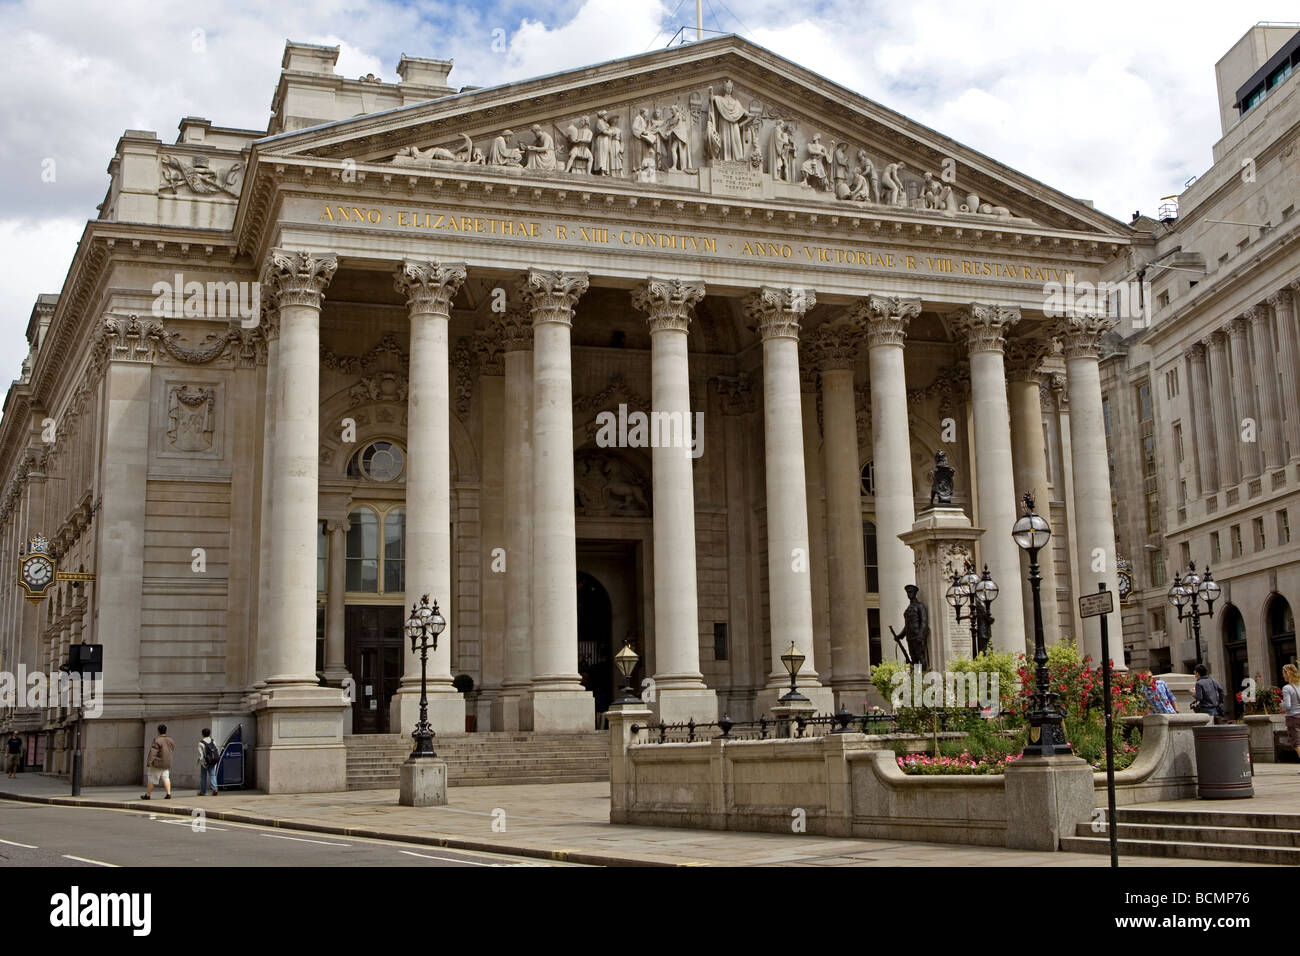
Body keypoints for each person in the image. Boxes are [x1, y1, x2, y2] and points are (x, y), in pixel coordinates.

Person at [141, 723, 175, 800]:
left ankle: (148, 795)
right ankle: (168, 794)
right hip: (167, 763)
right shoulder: (171, 740)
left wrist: (149, 762)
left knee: (152, 779)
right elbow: (172, 749)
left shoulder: (157, 740)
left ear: (158, 731)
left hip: (157, 763)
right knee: (166, 778)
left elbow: (153, 752)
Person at [1282, 663, 1300, 772]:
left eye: (1283, 673)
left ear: (1287, 674)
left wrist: (1280, 704)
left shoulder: (1287, 688)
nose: (1283, 676)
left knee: (1296, 743)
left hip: (1293, 718)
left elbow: (1287, 706)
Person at [197, 728, 220, 796]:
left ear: (202, 734)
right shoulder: (213, 741)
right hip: (213, 761)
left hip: (205, 762)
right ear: (209, 733)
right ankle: (215, 789)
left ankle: (203, 792)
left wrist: (201, 763)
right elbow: (216, 750)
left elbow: (201, 755)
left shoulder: (201, 743)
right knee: (213, 775)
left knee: (203, 777)